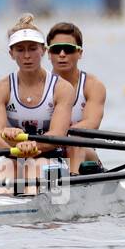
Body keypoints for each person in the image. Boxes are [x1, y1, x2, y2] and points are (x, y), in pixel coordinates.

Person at [0, 13, 75, 193]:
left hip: (52, 156)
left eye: (33, 49)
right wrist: (15, 147)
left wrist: (32, 146)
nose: (27, 55)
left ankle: (30, 202)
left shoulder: (62, 88)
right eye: (20, 50)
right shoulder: (0, 88)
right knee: (5, 175)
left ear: (43, 50)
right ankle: (2, 200)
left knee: (37, 167)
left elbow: (57, 135)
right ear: (11, 54)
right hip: (12, 156)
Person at [43, 21, 106, 174]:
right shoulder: (37, 85)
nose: (62, 54)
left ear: (80, 53)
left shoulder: (92, 86)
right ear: (49, 53)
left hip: (83, 153)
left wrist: (59, 132)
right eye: (56, 49)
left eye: (69, 49)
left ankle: (73, 178)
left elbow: (92, 123)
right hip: (46, 151)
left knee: (74, 140)